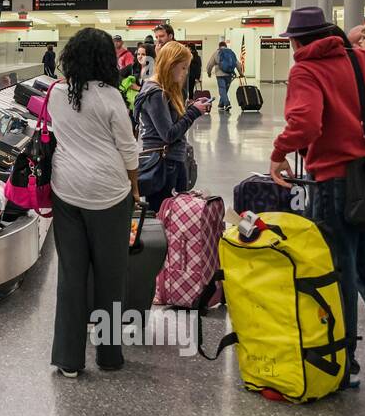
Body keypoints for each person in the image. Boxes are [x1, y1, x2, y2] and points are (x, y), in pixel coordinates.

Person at [269, 7, 365, 383]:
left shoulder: (306, 69)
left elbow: (306, 122)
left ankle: (343, 363)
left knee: (338, 269)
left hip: (334, 181)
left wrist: (278, 153)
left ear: (297, 41)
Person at [47, 28, 140, 378]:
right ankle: (109, 355)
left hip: (66, 190)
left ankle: (68, 360)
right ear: (106, 59)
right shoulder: (110, 95)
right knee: (110, 276)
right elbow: (128, 148)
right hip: (109, 193)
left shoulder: (57, 93)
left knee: (71, 276)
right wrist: (134, 188)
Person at [134, 42, 211, 213]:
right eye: (183, 68)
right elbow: (168, 134)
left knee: (175, 214)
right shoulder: (155, 93)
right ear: (171, 64)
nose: (185, 73)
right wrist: (193, 113)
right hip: (162, 164)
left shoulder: (166, 89)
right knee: (164, 215)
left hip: (172, 160)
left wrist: (191, 108)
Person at [210, 40, 243, 112]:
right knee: (225, 90)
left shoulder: (217, 52)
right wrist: (241, 73)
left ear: (219, 46)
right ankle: (221, 104)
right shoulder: (231, 52)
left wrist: (209, 72)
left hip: (220, 74)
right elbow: (237, 63)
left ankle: (227, 103)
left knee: (222, 89)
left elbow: (210, 63)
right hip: (229, 74)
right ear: (226, 46)